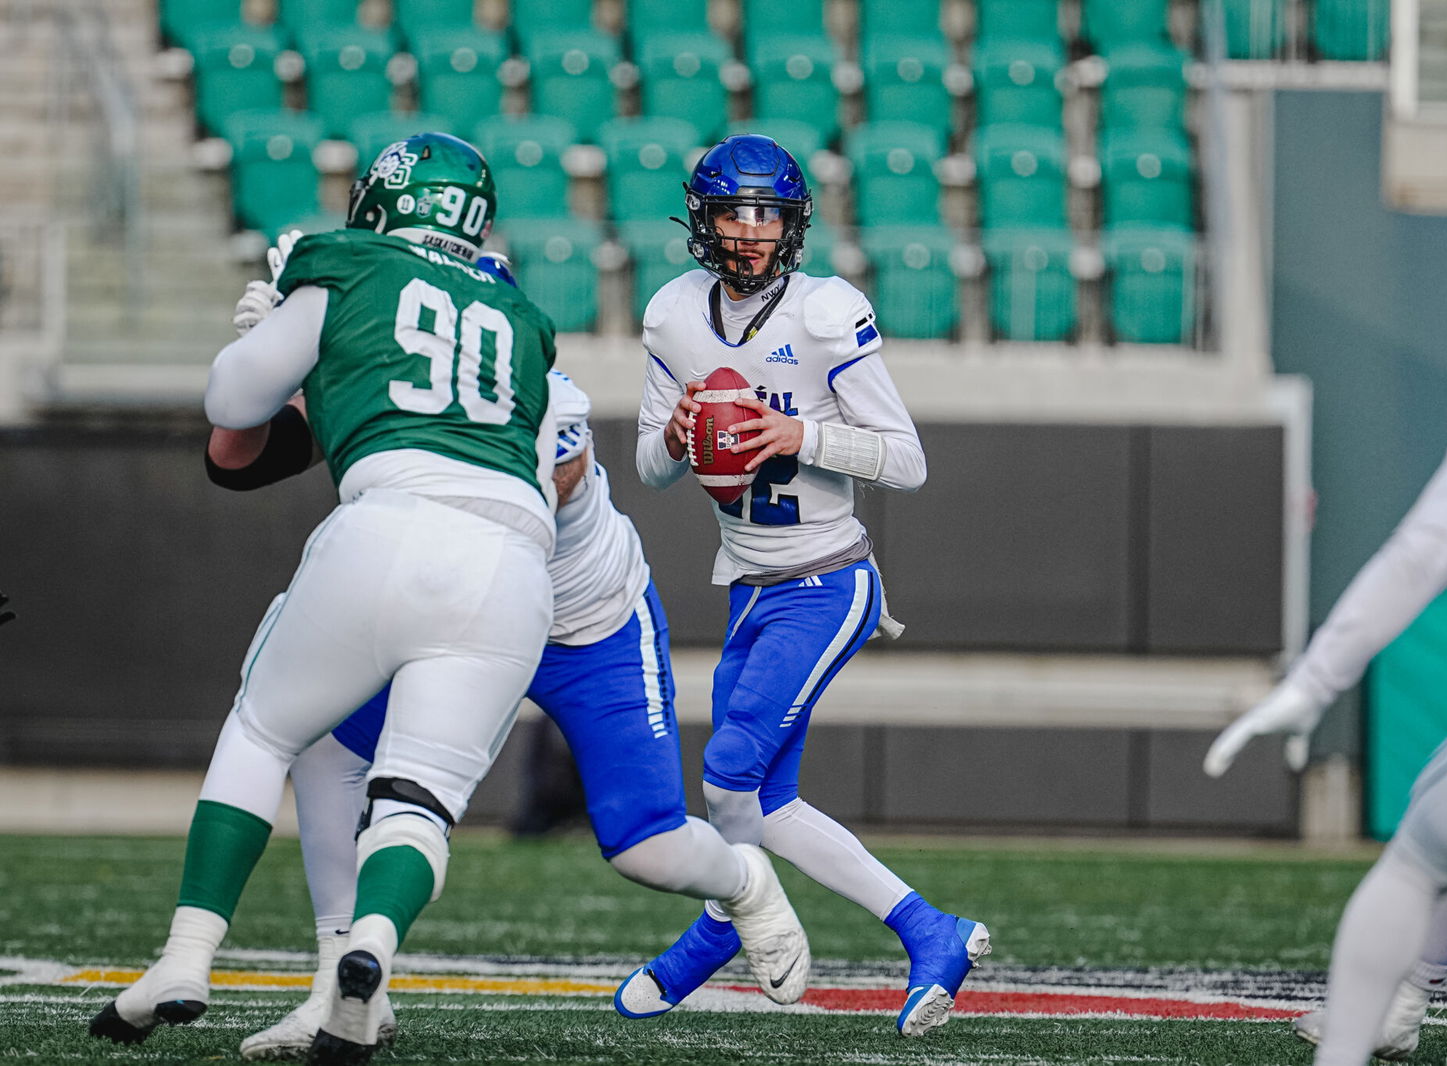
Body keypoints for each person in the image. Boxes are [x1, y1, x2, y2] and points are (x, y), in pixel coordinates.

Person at [87, 132, 561, 1066]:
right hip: (514, 561)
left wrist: (269, 329)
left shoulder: (345, 263)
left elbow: (232, 403)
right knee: (417, 804)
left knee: (264, 731)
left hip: (390, 521)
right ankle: (369, 951)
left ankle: (186, 958)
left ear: (380, 203)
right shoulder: (523, 314)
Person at [235, 354, 811, 1059]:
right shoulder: (398, 386)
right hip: (464, 613)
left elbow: (546, 491)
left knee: (647, 847)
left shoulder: (552, 403)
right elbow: (251, 452)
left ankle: (745, 883)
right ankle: (342, 987)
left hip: (585, 627)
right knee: (326, 749)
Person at [620, 132, 990, 1038]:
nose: (750, 234)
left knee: (727, 776)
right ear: (701, 223)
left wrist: (798, 437)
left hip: (827, 580)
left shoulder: (826, 313)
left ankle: (742, 930)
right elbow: (647, 467)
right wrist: (677, 437)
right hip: (748, 582)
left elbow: (907, 461)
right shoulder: (672, 313)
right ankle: (898, 929)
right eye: (732, 215)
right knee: (759, 800)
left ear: (793, 225)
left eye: (768, 215)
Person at [1202, 279, 1447, 1066]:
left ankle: (1380, 1019)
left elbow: (1422, 556)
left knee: (1421, 857)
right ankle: (1407, 998)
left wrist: (1314, 683)